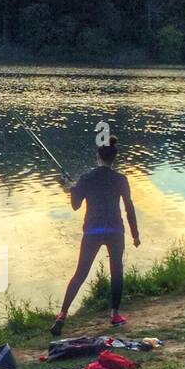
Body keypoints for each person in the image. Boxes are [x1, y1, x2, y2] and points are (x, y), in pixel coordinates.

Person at [51, 136, 140, 336]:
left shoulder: (86, 178)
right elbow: (129, 208)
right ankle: (115, 314)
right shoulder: (120, 179)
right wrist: (135, 235)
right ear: (113, 159)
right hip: (115, 230)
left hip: (93, 230)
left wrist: (68, 188)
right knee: (116, 271)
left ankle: (62, 315)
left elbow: (75, 206)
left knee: (80, 274)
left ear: (98, 156)